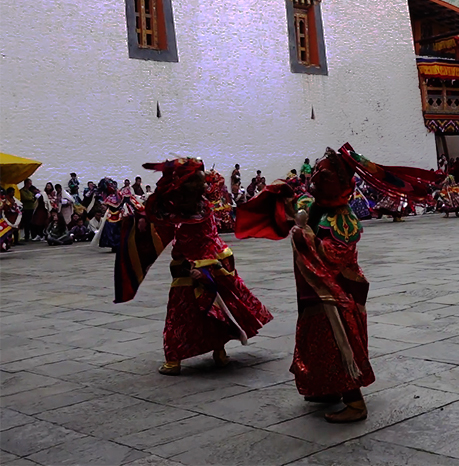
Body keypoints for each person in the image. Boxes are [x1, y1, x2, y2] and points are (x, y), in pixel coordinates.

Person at [235, 143, 440, 423]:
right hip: (312, 288)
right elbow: (291, 216)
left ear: (341, 184)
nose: (316, 178)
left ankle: (355, 403)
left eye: (325, 176)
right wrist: (283, 199)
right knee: (315, 339)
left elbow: (335, 255)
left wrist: (305, 237)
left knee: (338, 341)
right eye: (317, 173)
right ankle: (325, 388)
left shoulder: (345, 219)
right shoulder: (311, 203)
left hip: (337, 292)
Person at [115, 158, 273, 376]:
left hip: (202, 266)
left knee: (207, 311)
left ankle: (202, 354)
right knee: (191, 312)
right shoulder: (178, 207)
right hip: (191, 265)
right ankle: (184, 357)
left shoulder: (200, 208)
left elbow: (208, 239)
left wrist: (203, 267)